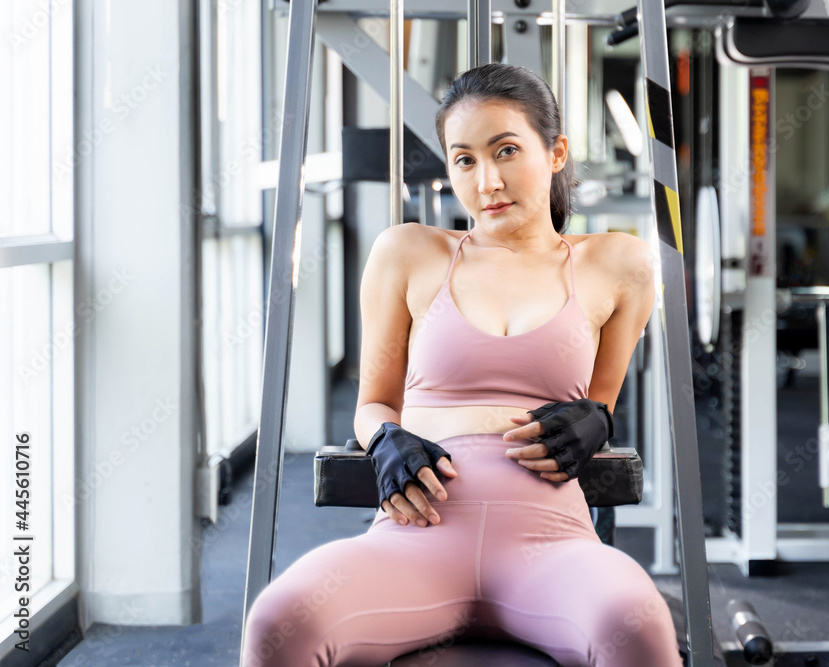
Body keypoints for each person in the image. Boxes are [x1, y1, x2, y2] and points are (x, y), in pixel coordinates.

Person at [241, 62, 682, 667]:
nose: (487, 181)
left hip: (550, 542)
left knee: (636, 630)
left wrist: (597, 422)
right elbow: (374, 403)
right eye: (465, 160)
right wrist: (386, 439)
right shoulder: (409, 253)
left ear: (555, 153)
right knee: (277, 622)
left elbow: (598, 404)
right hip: (415, 538)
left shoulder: (619, 263)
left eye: (506, 151)